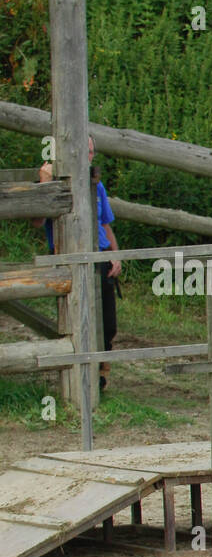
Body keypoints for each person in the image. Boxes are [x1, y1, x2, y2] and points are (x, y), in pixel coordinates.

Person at [35, 136, 120, 390]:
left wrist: (115, 254)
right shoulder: (54, 180)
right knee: (76, 320)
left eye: (92, 152)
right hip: (69, 259)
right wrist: (44, 183)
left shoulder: (97, 184)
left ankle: (101, 374)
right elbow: (38, 221)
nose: (88, 157)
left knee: (107, 322)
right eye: (84, 151)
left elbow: (105, 224)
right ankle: (81, 377)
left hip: (99, 256)